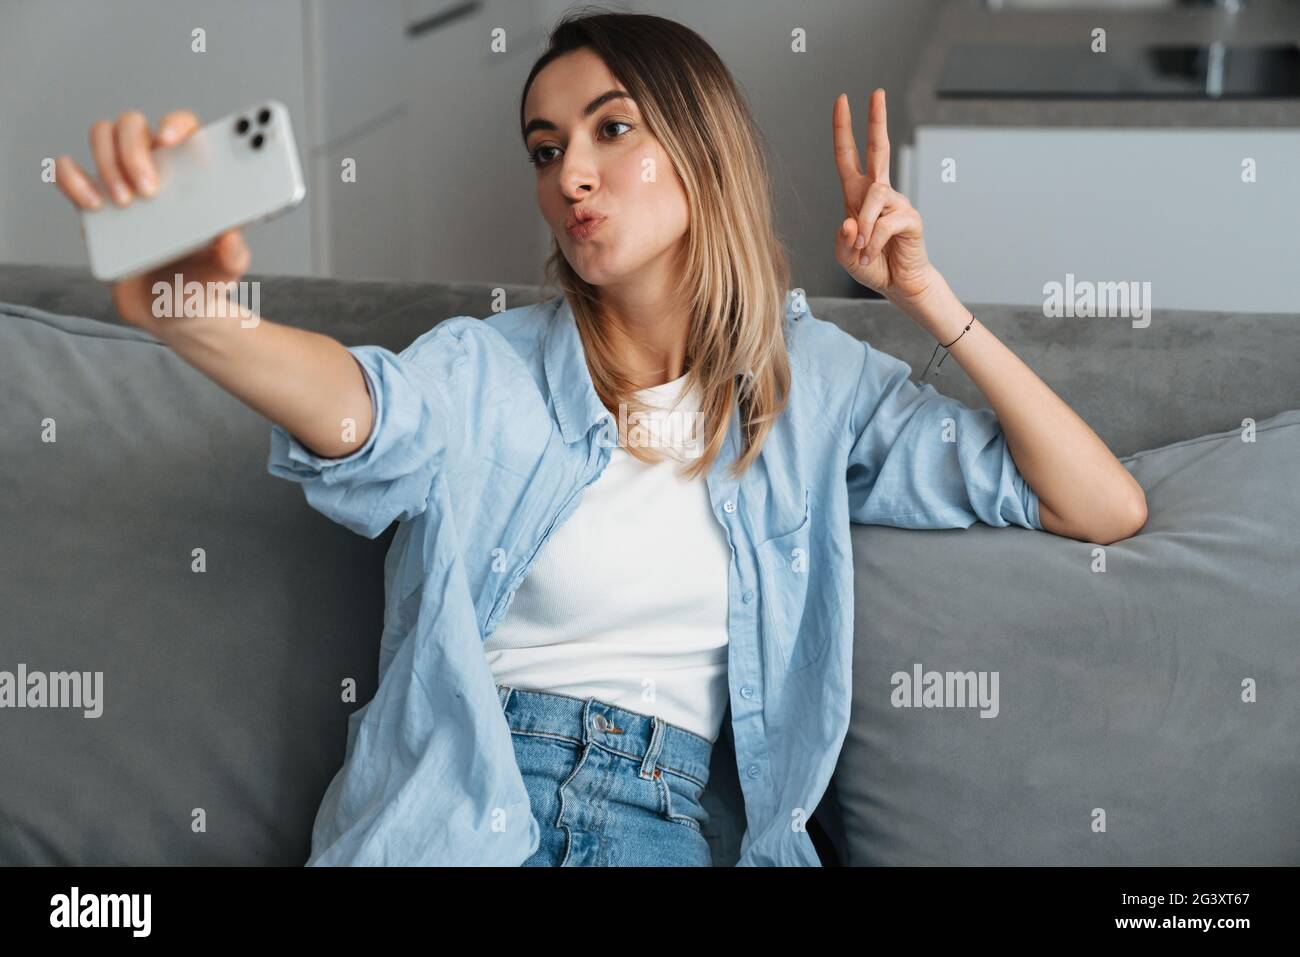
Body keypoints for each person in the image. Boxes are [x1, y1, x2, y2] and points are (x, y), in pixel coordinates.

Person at [52, 8, 1146, 866]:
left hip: (663, 823)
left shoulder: (814, 387)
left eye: (610, 129)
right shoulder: (487, 367)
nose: (568, 173)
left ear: (699, 144)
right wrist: (197, 319)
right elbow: (364, 417)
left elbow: (1095, 505)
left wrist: (927, 299)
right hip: (457, 820)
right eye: (544, 147)